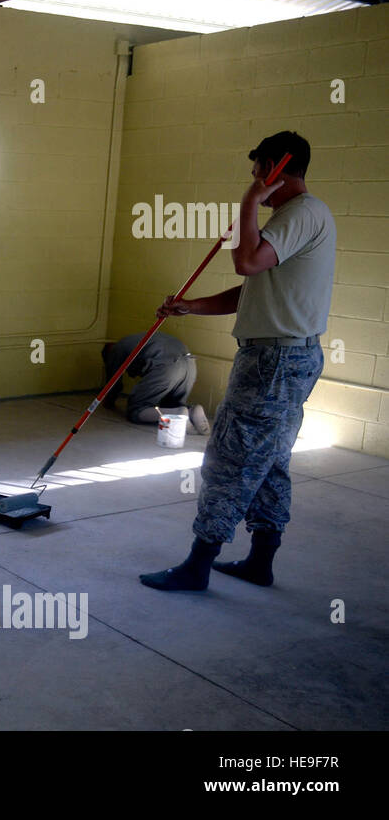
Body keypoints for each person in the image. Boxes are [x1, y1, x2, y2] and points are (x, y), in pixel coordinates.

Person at [140, 131, 333, 591]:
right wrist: (193, 306)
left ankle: (197, 567)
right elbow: (253, 288)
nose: (253, 181)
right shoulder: (298, 218)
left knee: (231, 461)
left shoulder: (300, 214)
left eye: (256, 173)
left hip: (274, 363)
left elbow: (245, 262)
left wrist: (248, 201)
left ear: (275, 170)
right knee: (269, 462)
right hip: (283, 357)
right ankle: (260, 562)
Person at [101, 332, 210, 435]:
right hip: (190, 364)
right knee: (170, 405)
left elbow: (113, 383)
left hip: (167, 366)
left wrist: (109, 401)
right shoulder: (135, 340)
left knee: (136, 409)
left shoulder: (116, 350)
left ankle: (179, 414)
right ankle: (192, 411)